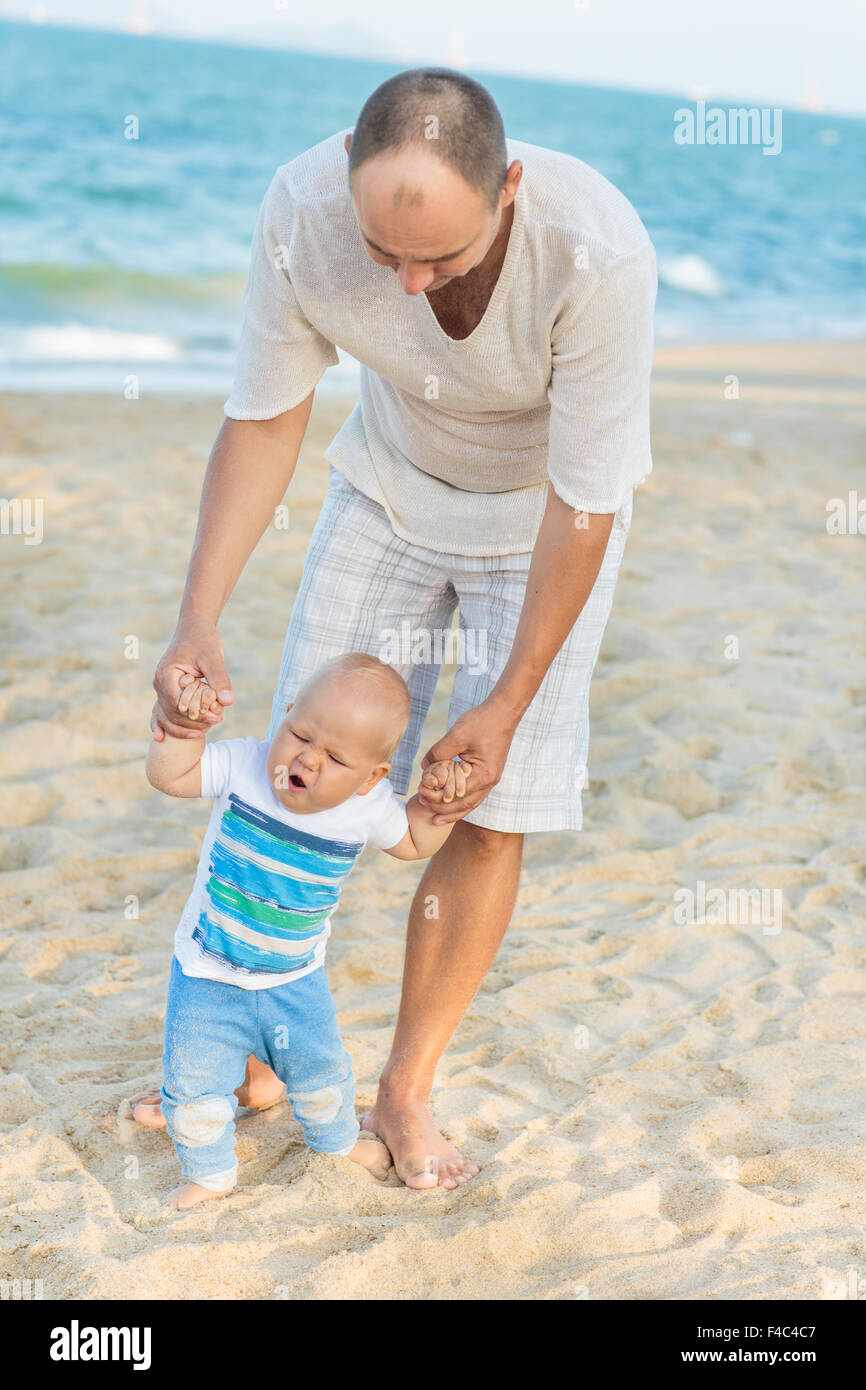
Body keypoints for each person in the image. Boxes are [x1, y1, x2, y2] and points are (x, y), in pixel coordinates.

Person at [145, 67, 657, 1190]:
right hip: (385, 484)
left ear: (509, 188)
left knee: (488, 801)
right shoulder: (301, 211)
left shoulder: (597, 255)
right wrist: (197, 620)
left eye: (442, 258)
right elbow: (266, 415)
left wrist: (505, 701)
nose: (412, 283)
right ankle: (246, 1055)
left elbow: (586, 499)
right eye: (385, 258)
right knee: (303, 763)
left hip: (542, 525)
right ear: (344, 182)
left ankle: (403, 1087)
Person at [143, 653, 468, 1207]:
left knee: (321, 1075)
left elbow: (412, 843)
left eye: (336, 757)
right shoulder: (243, 765)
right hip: (205, 975)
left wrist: (441, 810)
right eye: (299, 734)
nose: (307, 759)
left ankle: (338, 1142)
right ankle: (210, 1174)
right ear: (285, 714)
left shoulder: (366, 808)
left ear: (372, 777)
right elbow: (171, 775)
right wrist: (182, 729)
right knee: (194, 1088)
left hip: (296, 982)